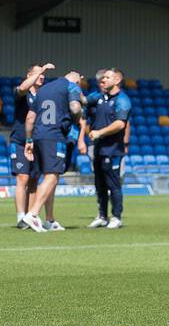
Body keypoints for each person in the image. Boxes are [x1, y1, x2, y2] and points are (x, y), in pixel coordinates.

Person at [22, 68, 85, 233]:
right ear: (77, 80)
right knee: (52, 176)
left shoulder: (44, 90)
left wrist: (29, 140)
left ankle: (50, 219)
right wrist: (77, 120)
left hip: (38, 136)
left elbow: (30, 118)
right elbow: (75, 108)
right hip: (54, 136)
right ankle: (33, 214)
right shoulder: (71, 86)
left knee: (51, 177)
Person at [86, 68, 132, 229]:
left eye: (107, 77)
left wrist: (99, 132)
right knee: (99, 184)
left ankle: (116, 217)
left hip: (112, 150)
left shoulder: (123, 100)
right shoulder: (99, 97)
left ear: (117, 80)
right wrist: (71, 85)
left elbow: (120, 124)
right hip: (99, 149)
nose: (103, 80)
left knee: (113, 184)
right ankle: (102, 216)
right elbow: (83, 100)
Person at [8, 63, 51, 229]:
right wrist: (40, 70)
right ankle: (20, 217)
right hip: (19, 141)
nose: (42, 76)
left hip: (37, 143)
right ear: (29, 76)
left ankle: (30, 217)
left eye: (43, 75)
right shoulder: (22, 93)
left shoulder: (43, 97)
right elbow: (23, 87)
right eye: (38, 74)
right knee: (22, 178)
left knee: (34, 180)